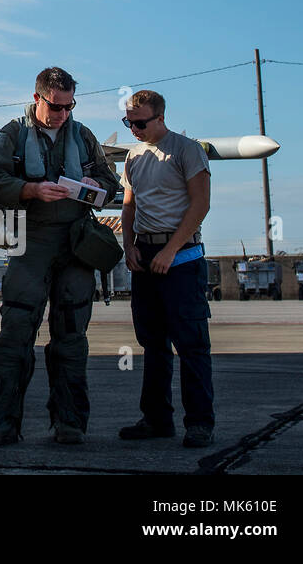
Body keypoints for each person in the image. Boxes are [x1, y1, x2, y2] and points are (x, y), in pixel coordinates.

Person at [0, 66, 121, 447]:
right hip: (32, 240)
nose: (62, 114)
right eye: (56, 106)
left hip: (76, 243)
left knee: (72, 335)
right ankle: (0, 424)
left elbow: (111, 183)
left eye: (69, 106)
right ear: (37, 98)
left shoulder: (83, 136)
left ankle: (70, 423)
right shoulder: (11, 135)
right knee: (15, 332)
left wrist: (95, 186)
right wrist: (31, 190)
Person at [118, 89, 214, 448]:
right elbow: (129, 205)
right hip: (145, 255)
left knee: (191, 345)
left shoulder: (187, 150)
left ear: (160, 118)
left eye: (140, 123)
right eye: (128, 122)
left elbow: (201, 204)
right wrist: (129, 246)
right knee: (153, 343)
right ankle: (157, 419)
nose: (134, 129)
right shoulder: (134, 156)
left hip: (182, 258)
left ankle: (200, 423)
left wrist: (171, 250)